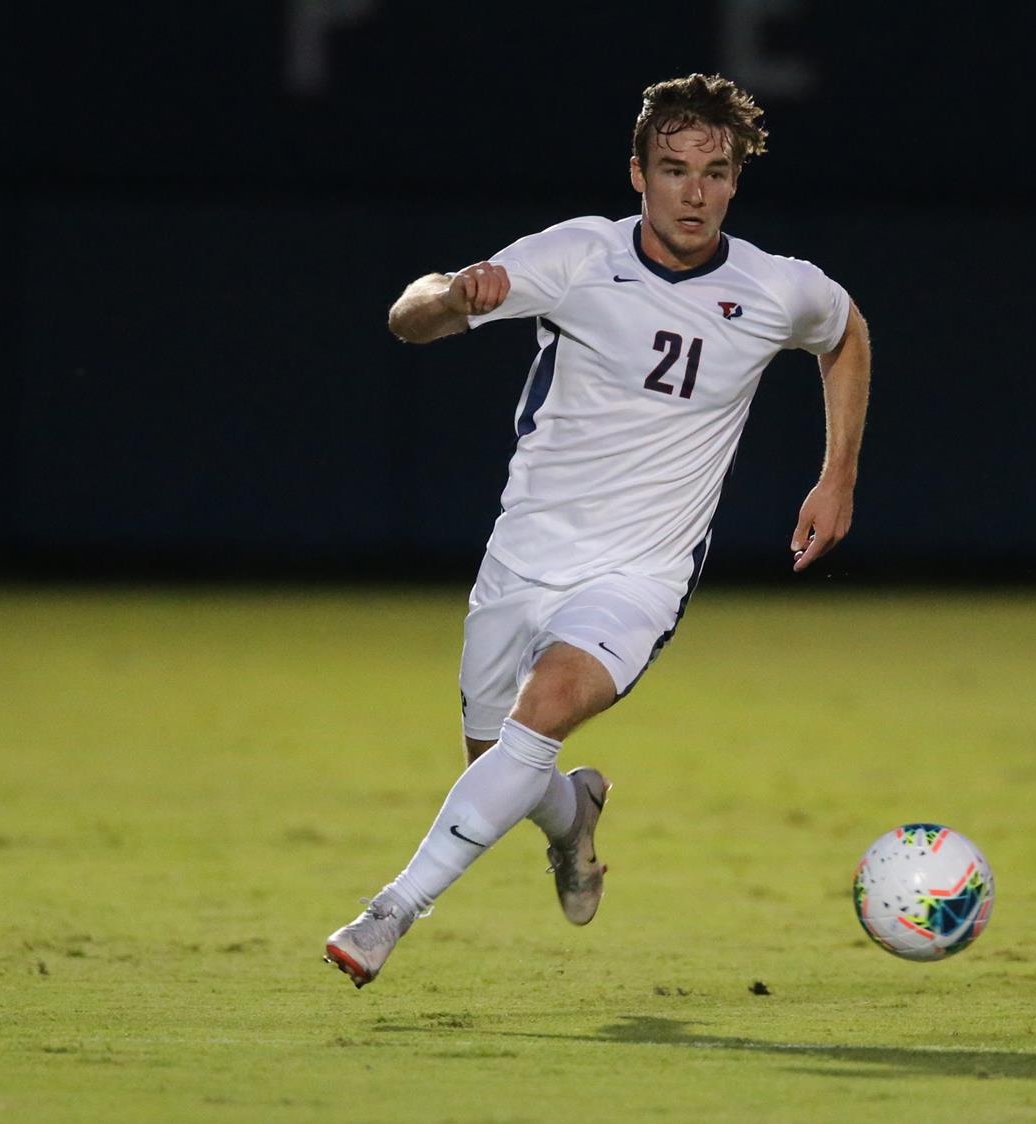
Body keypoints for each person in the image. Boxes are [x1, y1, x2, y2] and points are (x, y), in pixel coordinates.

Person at [323, 74, 872, 988]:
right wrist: (458, 292)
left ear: (736, 182)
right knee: (499, 763)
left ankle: (388, 914)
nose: (693, 191)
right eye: (673, 168)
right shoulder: (577, 256)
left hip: (641, 571)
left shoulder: (777, 288)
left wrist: (838, 473)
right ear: (637, 174)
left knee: (540, 717)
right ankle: (573, 815)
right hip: (525, 557)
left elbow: (846, 332)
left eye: (714, 172)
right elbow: (408, 318)